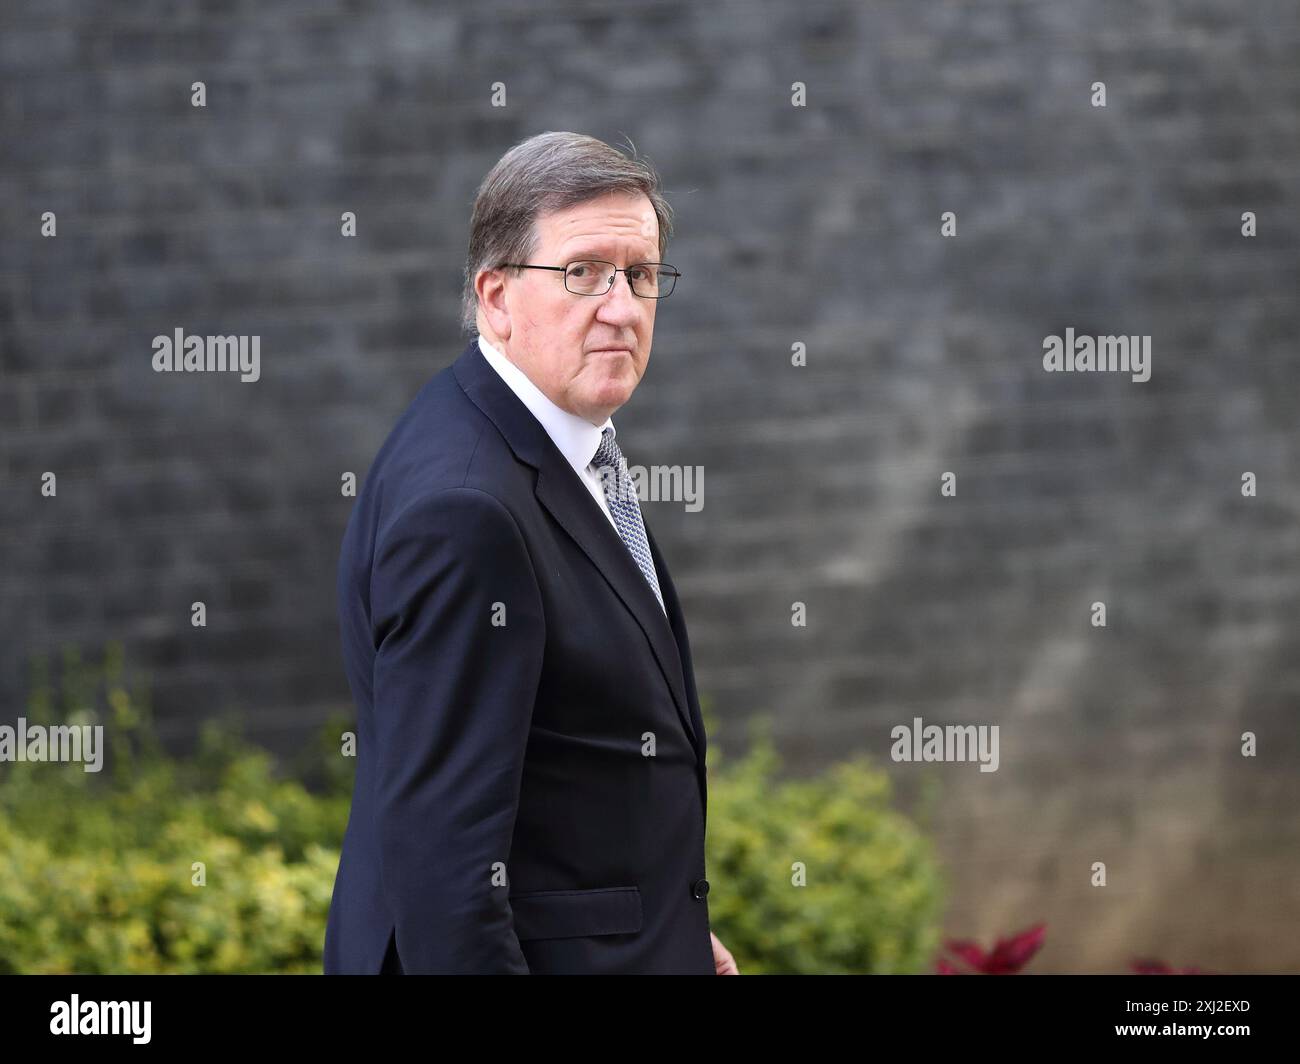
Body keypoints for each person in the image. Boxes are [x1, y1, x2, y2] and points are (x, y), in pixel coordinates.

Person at [323, 131, 737, 975]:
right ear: (496, 297)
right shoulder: (467, 510)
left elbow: (569, 763)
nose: (621, 306)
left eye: (642, 274)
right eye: (583, 272)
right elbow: (445, 877)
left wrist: (670, 936)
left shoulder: (545, 440)